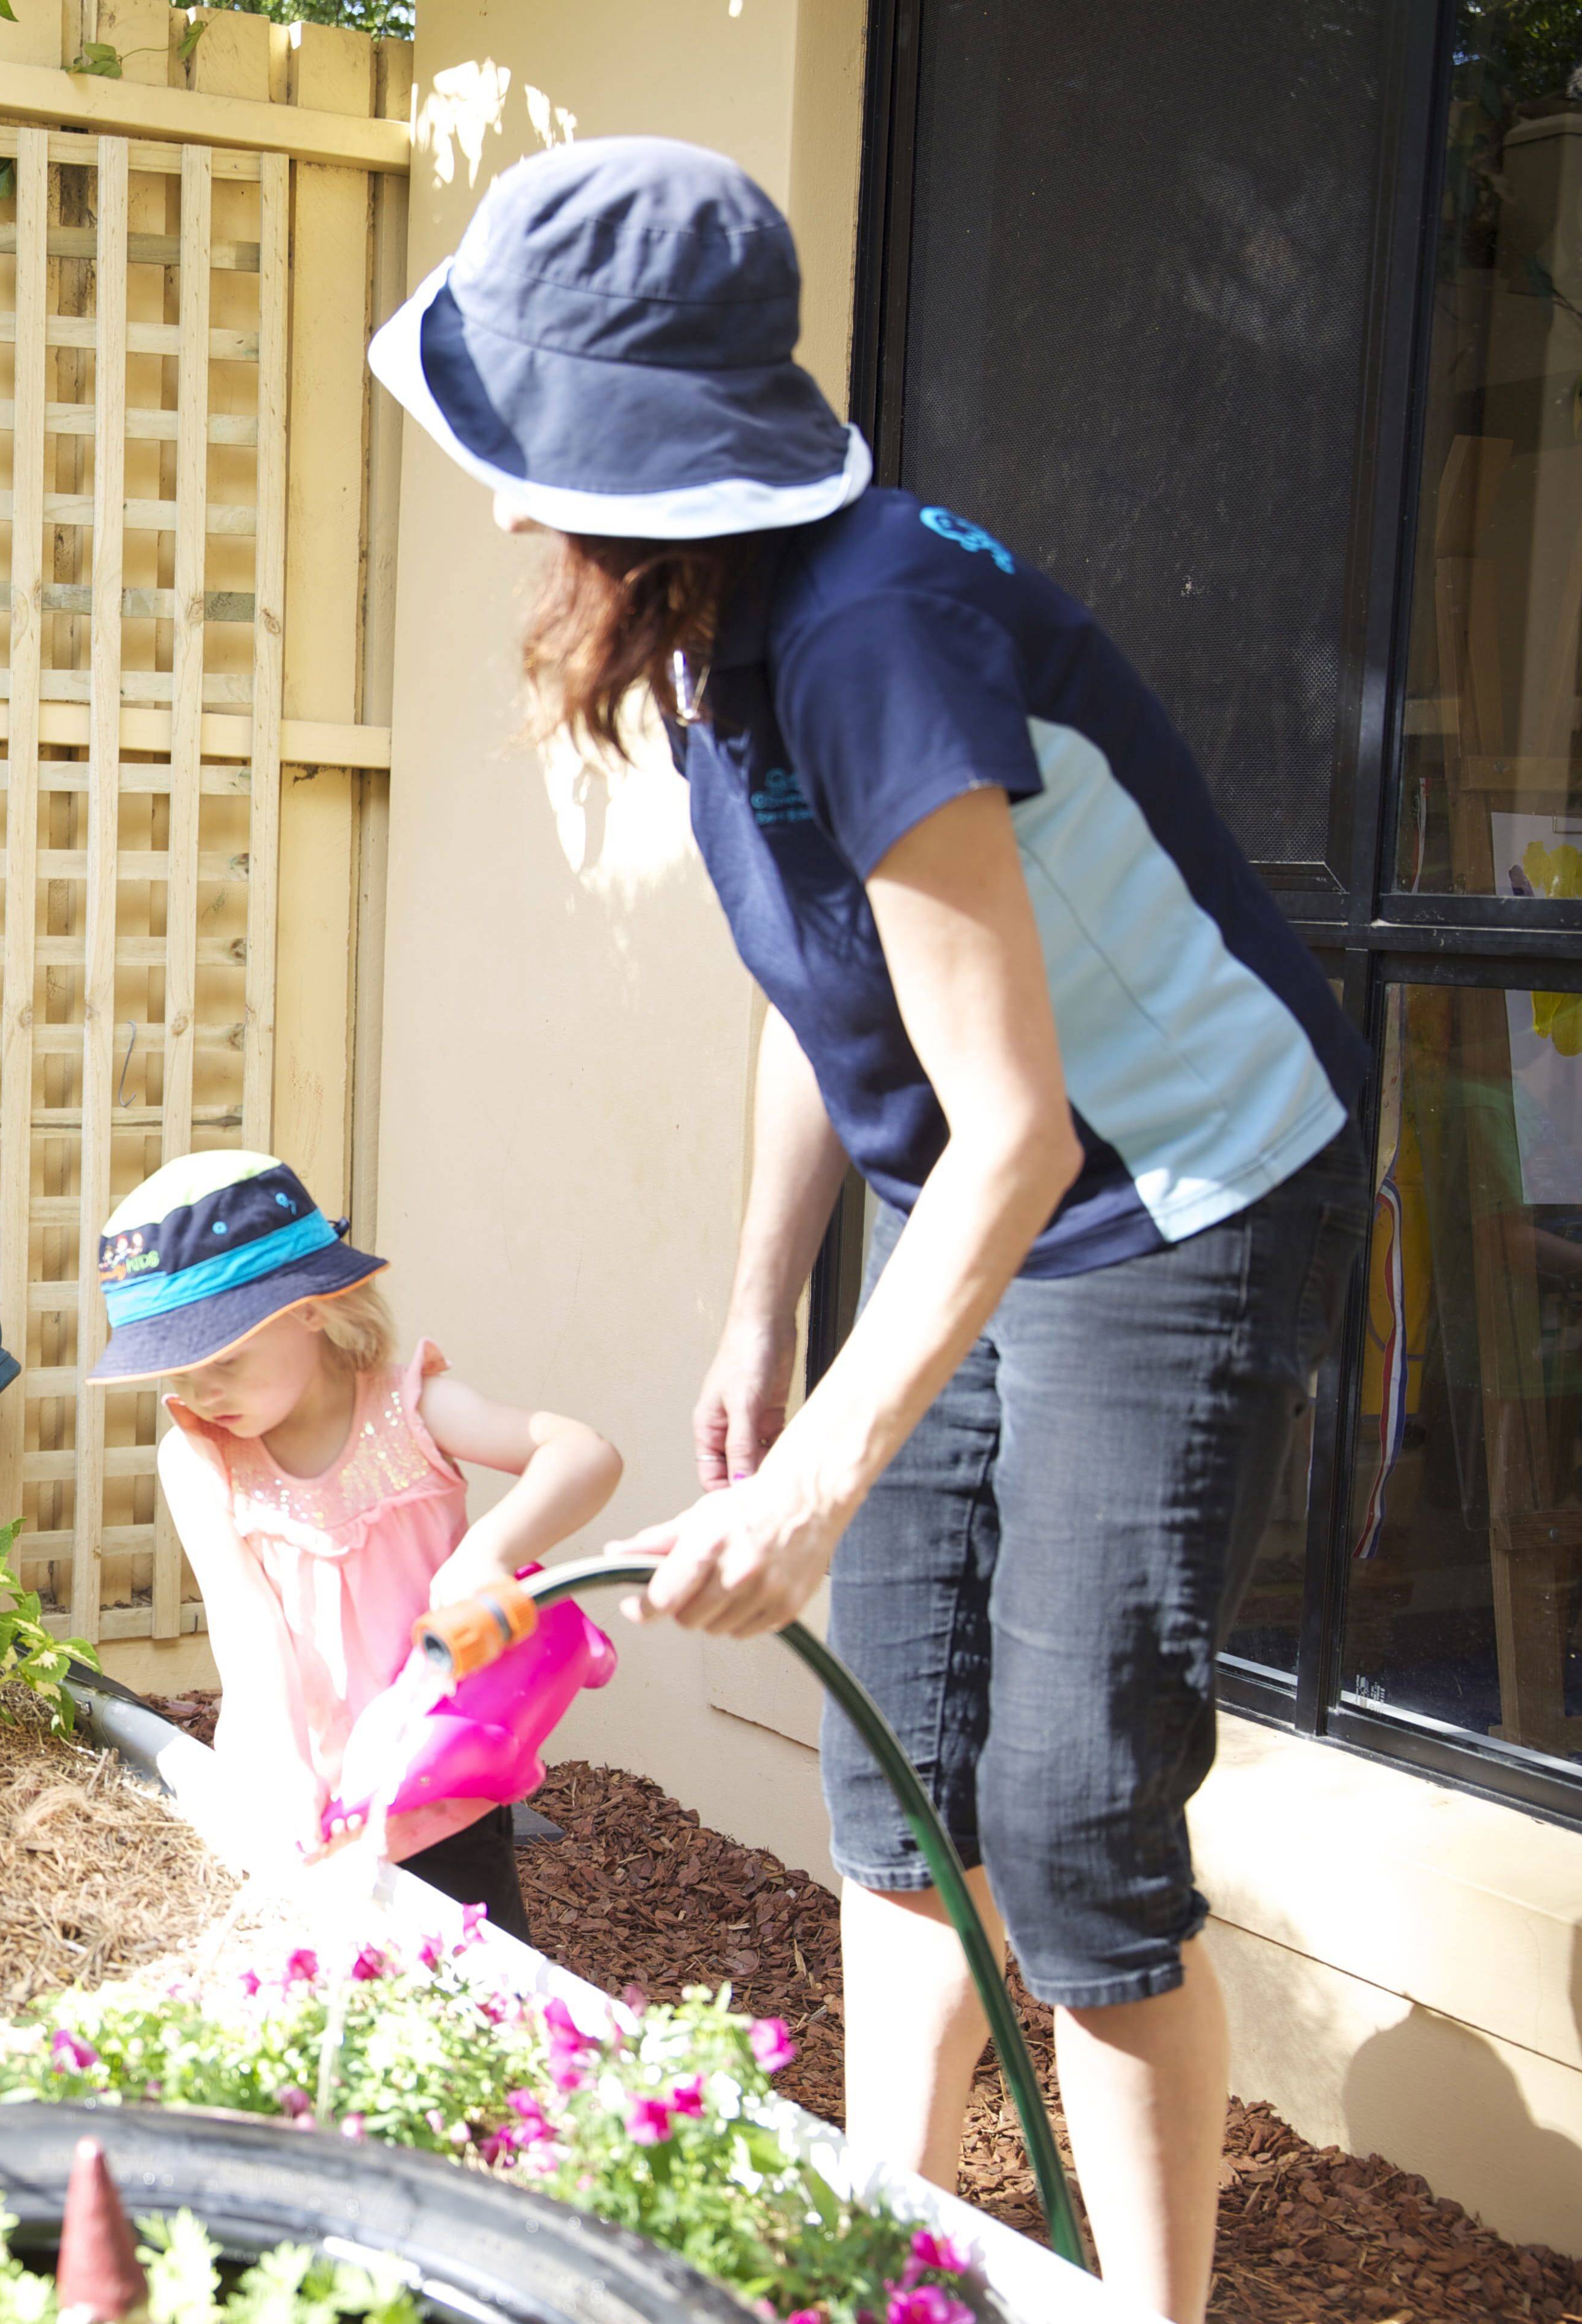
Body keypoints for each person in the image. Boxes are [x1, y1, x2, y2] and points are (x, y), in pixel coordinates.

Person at [382, 137, 1369, 2320]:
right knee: (891, 1762)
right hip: (974, 1188)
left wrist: (817, 1476)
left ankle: (1143, 2308)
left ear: (638, 454)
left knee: (1072, 1814)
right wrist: (754, 1315)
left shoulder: (873, 625)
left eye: (516, 442)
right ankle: (874, 2262)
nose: (492, 498)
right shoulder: (710, 624)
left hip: (1170, 1191)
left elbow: (1019, 1127)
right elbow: (818, 984)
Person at [96, 1151, 621, 1940]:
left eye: (226, 1359)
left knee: (472, 1983)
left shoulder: (412, 1409)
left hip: (436, 1778)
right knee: (307, 1988)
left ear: (310, 1307)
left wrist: (489, 1550)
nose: (201, 1394)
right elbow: (249, 1628)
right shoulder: (200, 1456)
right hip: (288, 1778)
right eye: (180, 1368)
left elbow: (583, 1453)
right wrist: (287, 1774)